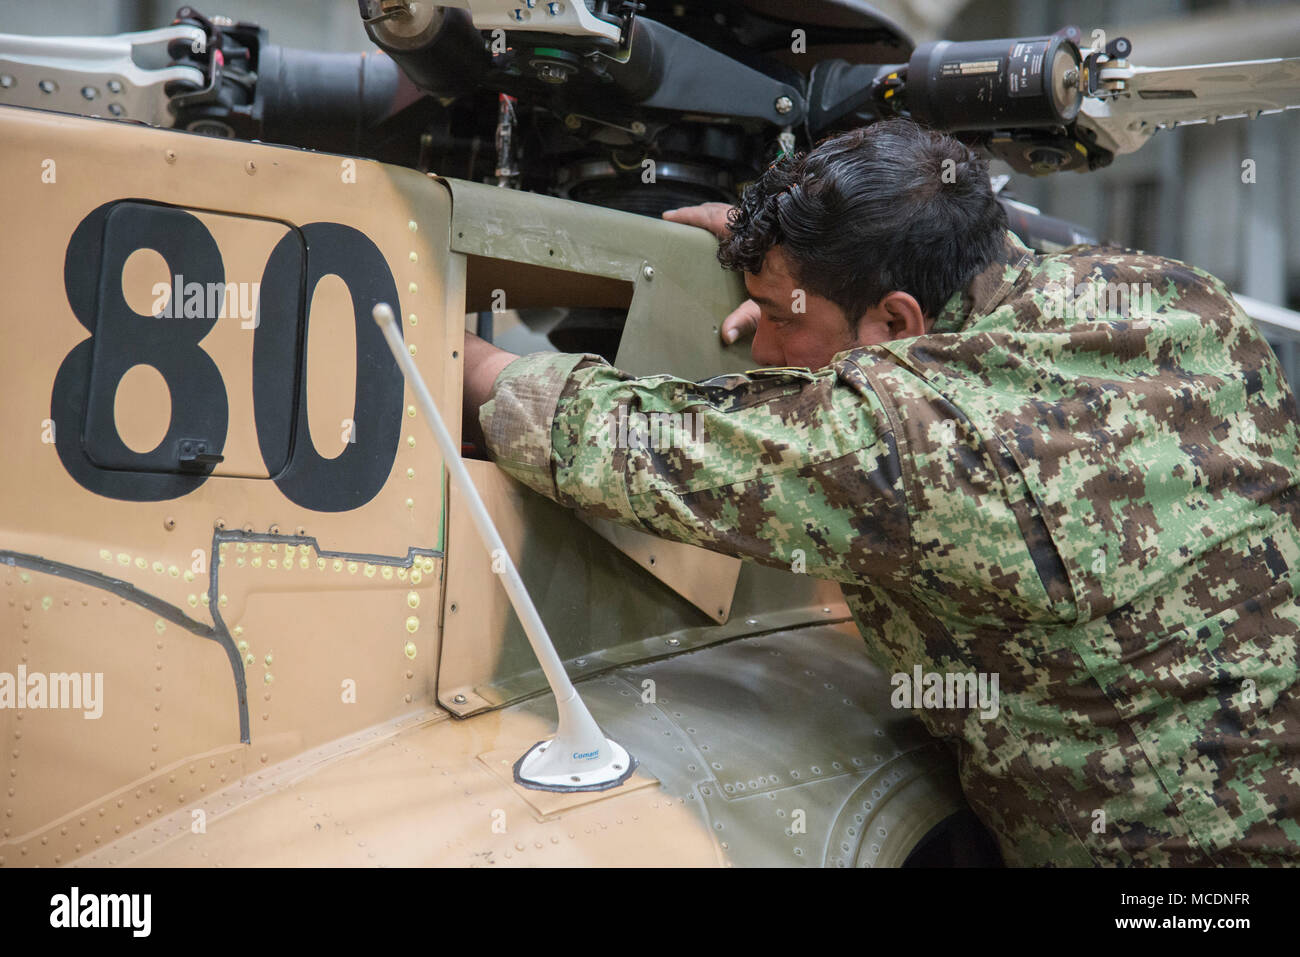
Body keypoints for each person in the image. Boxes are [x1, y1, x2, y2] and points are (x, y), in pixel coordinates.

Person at [461, 118, 1300, 866]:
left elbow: (644, 445)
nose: (765, 350)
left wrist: (480, 371)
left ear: (897, 324)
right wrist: (802, 287)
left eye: (782, 318)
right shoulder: (1180, 300)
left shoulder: (932, 446)